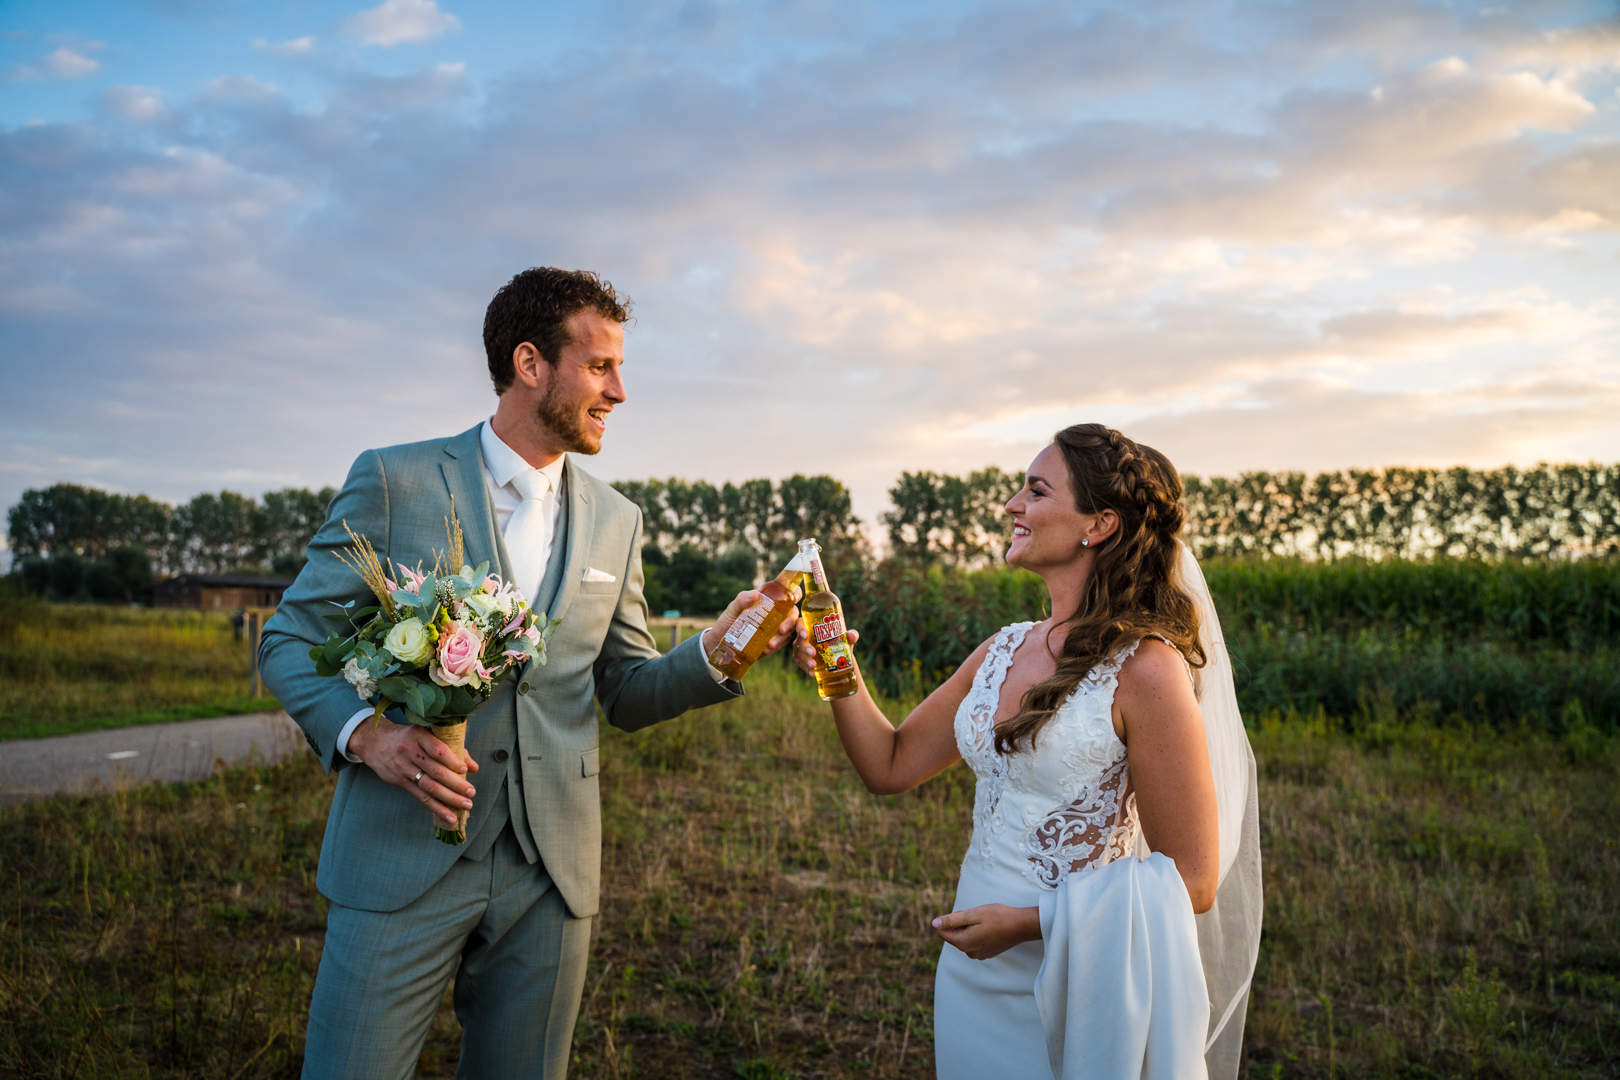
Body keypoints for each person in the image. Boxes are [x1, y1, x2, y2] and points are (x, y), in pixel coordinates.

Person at [260, 267, 799, 1080]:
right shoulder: (395, 480)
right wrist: (367, 736)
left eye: (620, 368)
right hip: (400, 854)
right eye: (600, 366)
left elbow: (622, 689)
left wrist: (717, 653)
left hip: (550, 873)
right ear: (529, 364)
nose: (620, 390)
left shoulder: (619, 521)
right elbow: (288, 639)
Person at [794, 423, 1261, 1079]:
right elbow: (890, 764)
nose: (1011, 505)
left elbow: (1195, 878)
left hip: (1071, 981)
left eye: (1034, 490)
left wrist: (1027, 923)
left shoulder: (1148, 670)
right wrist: (834, 663)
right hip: (968, 973)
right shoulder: (1002, 649)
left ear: (1096, 525)